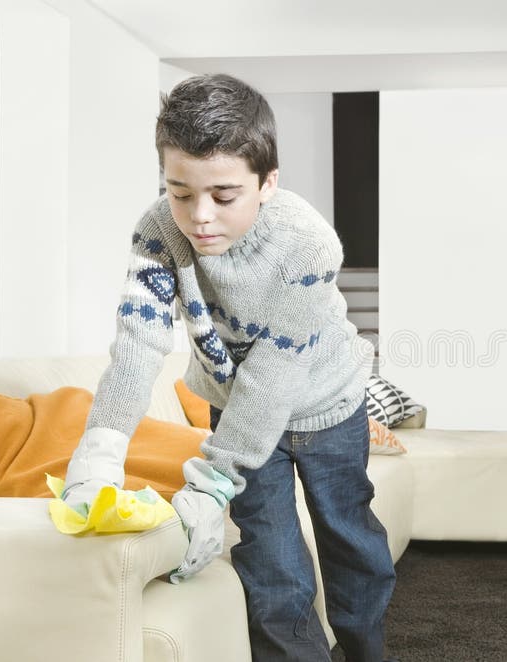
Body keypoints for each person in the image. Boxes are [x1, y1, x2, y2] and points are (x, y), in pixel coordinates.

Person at [61, 73, 396, 661]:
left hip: (326, 405)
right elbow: (139, 343)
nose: (200, 217)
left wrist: (213, 482)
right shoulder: (158, 232)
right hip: (235, 406)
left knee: (351, 542)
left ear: (267, 182)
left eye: (223, 194)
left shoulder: (308, 244)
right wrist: (100, 448)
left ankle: (368, 650)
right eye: (180, 192)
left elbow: (272, 375)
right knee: (270, 564)